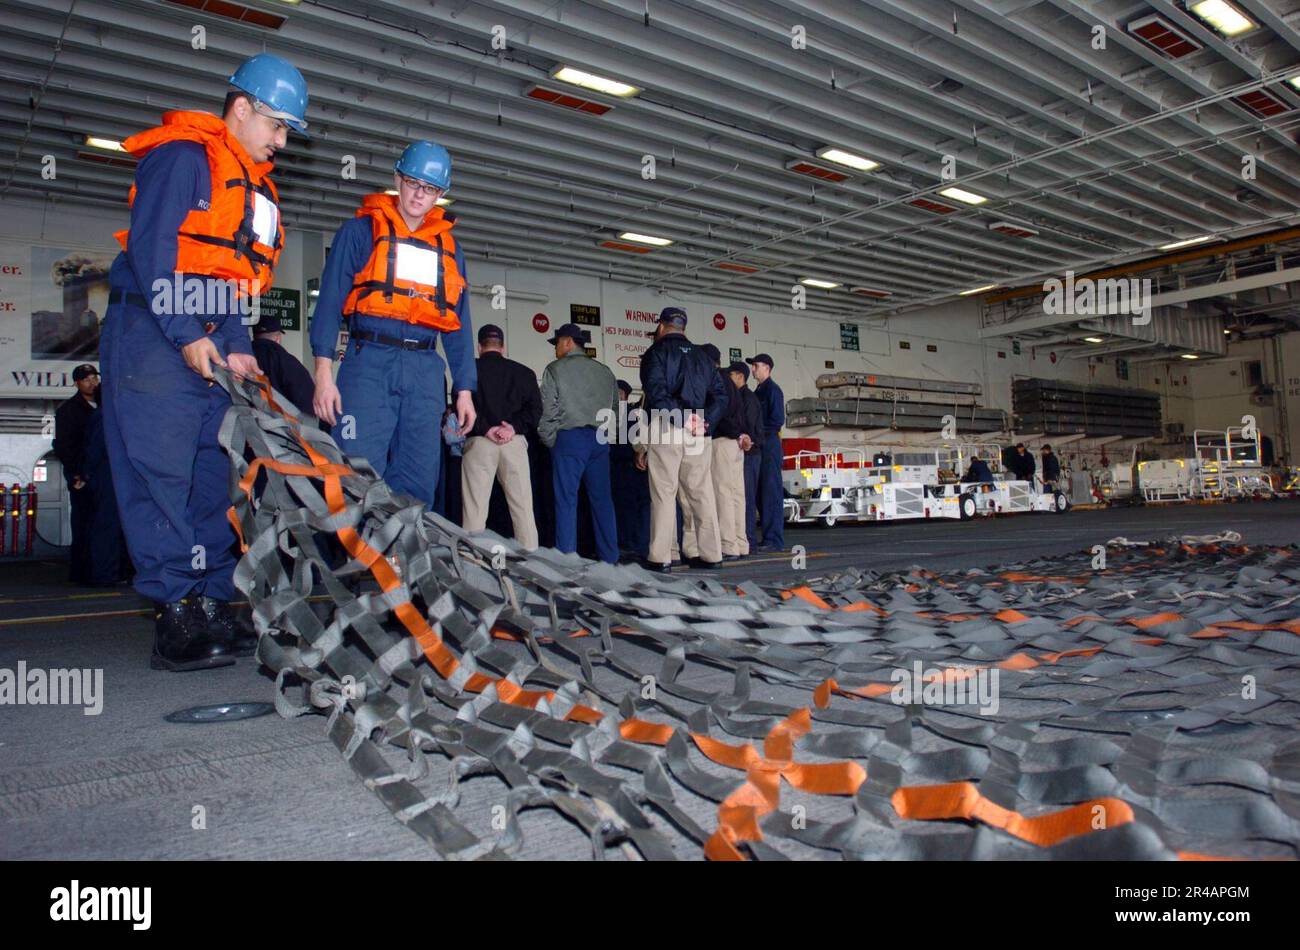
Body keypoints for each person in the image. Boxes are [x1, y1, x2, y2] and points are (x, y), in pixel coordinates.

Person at [101, 52, 309, 671]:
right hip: (154, 333)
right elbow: (154, 250)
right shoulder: (184, 160)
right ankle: (175, 613)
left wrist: (241, 346)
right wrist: (187, 332)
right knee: (158, 470)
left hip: (215, 336)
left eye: (287, 132)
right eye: (276, 125)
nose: (280, 141)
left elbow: (237, 280)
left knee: (210, 476)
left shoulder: (254, 191)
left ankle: (213, 601)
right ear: (241, 108)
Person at [311, 140, 477, 508]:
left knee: (418, 479)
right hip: (368, 363)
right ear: (397, 179)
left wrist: (463, 389)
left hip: (424, 372)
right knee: (355, 472)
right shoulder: (360, 232)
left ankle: (403, 562)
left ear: (441, 195)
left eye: (430, 188)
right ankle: (353, 561)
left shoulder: (449, 250)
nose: (420, 195)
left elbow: (459, 324)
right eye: (413, 183)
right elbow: (329, 304)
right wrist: (323, 374)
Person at [639, 308, 728, 572]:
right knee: (702, 493)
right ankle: (712, 555)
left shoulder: (655, 353)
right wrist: (704, 420)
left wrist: (680, 418)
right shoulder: (702, 356)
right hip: (699, 430)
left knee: (664, 494)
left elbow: (656, 393)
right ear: (683, 327)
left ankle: (661, 557)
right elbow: (720, 395)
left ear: (663, 326)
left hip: (668, 427)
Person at [537, 323, 619, 564]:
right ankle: (610, 559)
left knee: (566, 501)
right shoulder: (605, 371)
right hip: (599, 439)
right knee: (603, 501)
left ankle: (567, 562)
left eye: (557, 344)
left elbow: (548, 410)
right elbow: (615, 409)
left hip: (569, 438)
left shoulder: (555, 369)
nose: (556, 350)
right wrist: (607, 437)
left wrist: (549, 439)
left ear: (568, 342)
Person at [461, 324, 541, 549]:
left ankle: (472, 561)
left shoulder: (469, 372)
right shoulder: (524, 373)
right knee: (523, 509)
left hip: (479, 443)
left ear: (479, 346)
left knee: (474, 511)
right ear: (503, 347)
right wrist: (512, 428)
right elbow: (535, 411)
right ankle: (530, 564)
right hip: (513, 444)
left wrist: (486, 428)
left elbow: (462, 408)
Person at [53, 363, 100, 584]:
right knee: (83, 522)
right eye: (86, 379)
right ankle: (81, 571)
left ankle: (102, 567)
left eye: (94, 378)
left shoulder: (105, 405)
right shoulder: (68, 410)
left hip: (103, 474)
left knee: (104, 523)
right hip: (81, 475)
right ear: (77, 383)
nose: (92, 382)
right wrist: (75, 474)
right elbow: (64, 446)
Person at [708, 352, 753, 561]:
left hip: (722, 442)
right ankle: (740, 543)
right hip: (737, 444)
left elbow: (720, 414)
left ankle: (727, 545)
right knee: (737, 495)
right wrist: (742, 435)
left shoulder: (715, 380)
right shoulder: (733, 385)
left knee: (722, 495)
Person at [748, 353, 785, 552]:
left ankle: (774, 539)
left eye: (756, 365)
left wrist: (757, 434)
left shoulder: (773, 391)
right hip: (760, 444)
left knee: (771, 491)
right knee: (761, 492)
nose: (753, 369)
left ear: (767, 368)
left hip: (769, 444)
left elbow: (777, 420)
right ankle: (768, 537)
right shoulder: (759, 391)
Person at [610, 380, 650, 560]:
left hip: (632, 468)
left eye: (618, 393)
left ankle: (633, 546)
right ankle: (630, 544)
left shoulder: (632, 413)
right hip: (622, 469)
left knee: (632, 509)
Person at [250, 310, 315, 418]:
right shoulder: (288, 362)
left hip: (245, 424)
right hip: (280, 428)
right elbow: (307, 402)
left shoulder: (241, 359)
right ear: (278, 338)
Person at [731, 361, 765, 552]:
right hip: (745, 452)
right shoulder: (739, 397)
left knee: (747, 497)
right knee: (741, 496)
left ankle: (749, 540)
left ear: (739, 377)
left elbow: (750, 427)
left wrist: (744, 438)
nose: (729, 379)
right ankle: (744, 538)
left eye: (731, 375)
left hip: (750, 453)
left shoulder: (748, 399)